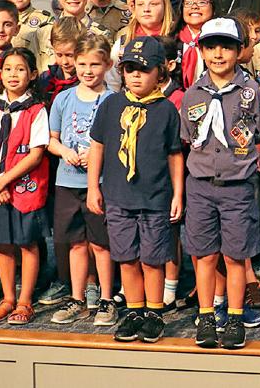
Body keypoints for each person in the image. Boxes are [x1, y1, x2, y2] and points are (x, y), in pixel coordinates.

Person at [179, 18, 260, 349]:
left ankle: (235, 316)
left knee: (236, 255)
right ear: (202, 51)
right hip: (201, 186)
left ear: (238, 51)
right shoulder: (192, 94)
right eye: (211, 46)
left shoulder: (250, 92)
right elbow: (187, 139)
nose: (218, 53)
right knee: (204, 254)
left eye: (226, 46)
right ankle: (207, 315)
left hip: (237, 188)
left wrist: (245, 162)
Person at [86, 35, 183, 344]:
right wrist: (93, 188)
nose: (136, 75)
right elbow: (97, 147)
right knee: (126, 258)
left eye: (143, 69)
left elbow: (174, 154)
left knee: (152, 259)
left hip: (155, 198)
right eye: (129, 69)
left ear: (160, 73)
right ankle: (134, 311)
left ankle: (154, 313)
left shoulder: (167, 110)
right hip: (117, 196)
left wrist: (178, 194)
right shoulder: (111, 104)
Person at [0, 47, 51, 326]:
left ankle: (25, 301)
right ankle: (7, 298)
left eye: (20, 69)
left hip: (24, 189)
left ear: (32, 75)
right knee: (3, 244)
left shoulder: (36, 110)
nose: (13, 74)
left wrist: (4, 180)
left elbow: (36, 153)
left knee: (26, 243)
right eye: (8, 69)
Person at [48, 36, 115, 325]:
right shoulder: (63, 98)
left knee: (101, 243)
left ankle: (106, 299)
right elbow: (51, 140)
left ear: (108, 65)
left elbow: (118, 141)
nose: (88, 70)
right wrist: (64, 151)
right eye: (82, 64)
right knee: (75, 243)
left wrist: (98, 154)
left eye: (95, 64)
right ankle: (77, 298)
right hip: (67, 182)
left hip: (98, 183)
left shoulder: (112, 100)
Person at [109, 0, 174, 91]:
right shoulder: (124, 40)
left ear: (165, 6)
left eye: (153, 4)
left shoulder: (178, 38)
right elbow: (113, 81)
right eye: (140, 4)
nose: (146, 9)